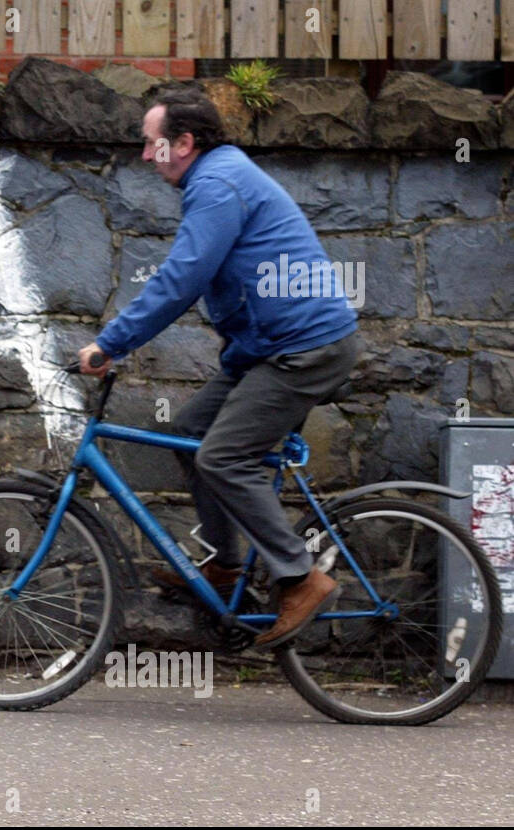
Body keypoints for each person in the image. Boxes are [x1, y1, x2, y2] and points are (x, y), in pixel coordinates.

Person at [76, 86, 364, 649]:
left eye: (151, 143)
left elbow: (182, 277)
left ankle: (299, 577)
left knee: (223, 455)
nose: (144, 155)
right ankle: (225, 566)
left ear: (183, 143)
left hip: (304, 350)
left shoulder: (216, 185)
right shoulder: (216, 177)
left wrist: (110, 344)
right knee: (190, 431)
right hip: (269, 348)